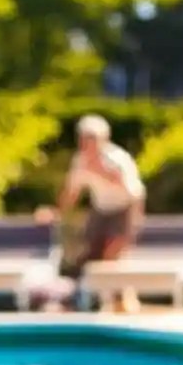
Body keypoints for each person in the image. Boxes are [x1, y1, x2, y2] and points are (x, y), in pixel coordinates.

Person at [50, 114, 147, 313]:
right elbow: (72, 191)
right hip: (101, 209)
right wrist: (57, 213)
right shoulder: (80, 161)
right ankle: (100, 300)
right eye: (84, 138)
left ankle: (122, 300)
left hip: (123, 208)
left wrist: (103, 172)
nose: (87, 144)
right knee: (91, 253)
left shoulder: (117, 159)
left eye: (91, 139)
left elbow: (133, 191)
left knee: (113, 256)